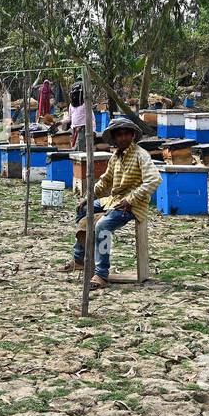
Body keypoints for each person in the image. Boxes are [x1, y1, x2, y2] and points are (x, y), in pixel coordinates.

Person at [63, 115, 160, 289]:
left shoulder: (141, 155)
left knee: (102, 227)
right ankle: (79, 259)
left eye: (126, 134)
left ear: (132, 135)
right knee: (83, 209)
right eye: (119, 134)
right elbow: (105, 181)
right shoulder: (115, 157)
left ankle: (101, 274)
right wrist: (89, 196)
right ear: (114, 138)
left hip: (134, 205)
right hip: (113, 201)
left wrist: (130, 199)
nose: (123, 137)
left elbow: (154, 180)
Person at [68, 81, 91, 148]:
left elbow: (92, 118)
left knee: (80, 149)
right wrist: (60, 122)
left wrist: (93, 131)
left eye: (76, 94)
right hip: (73, 129)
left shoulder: (85, 104)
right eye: (73, 94)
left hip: (83, 129)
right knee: (74, 149)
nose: (74, 96)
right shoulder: (71, 105)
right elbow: (69, 118)